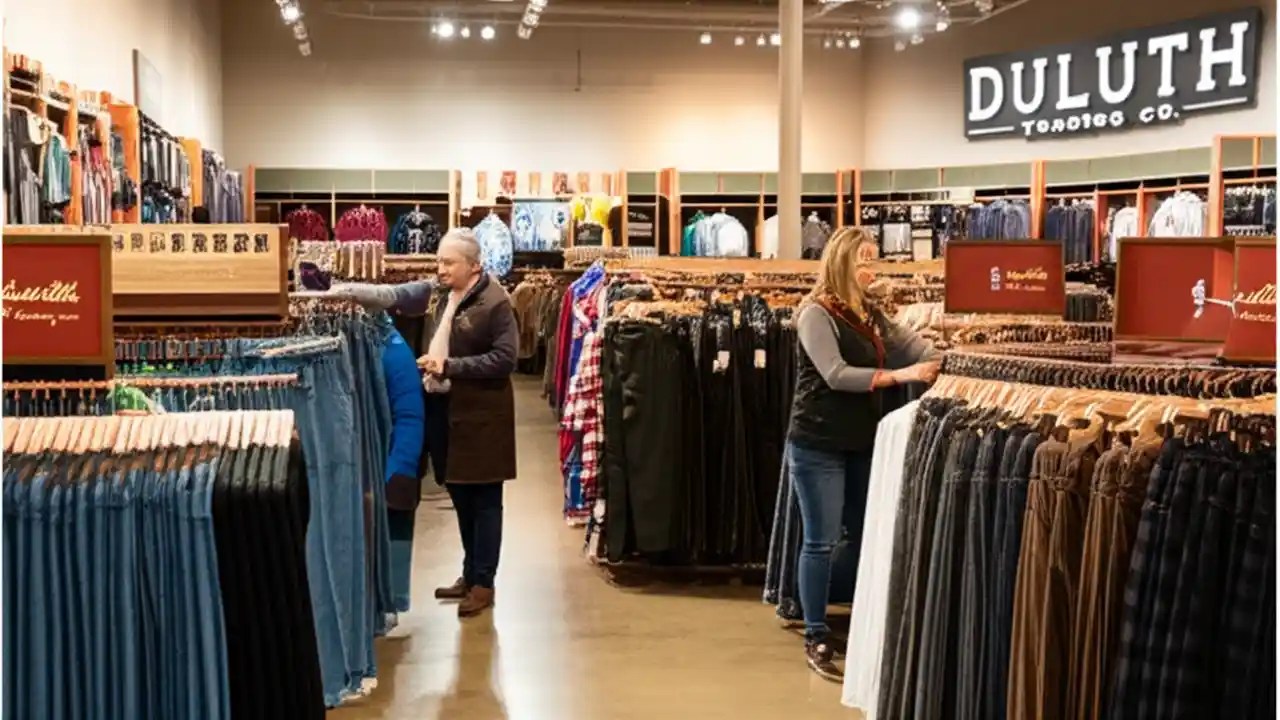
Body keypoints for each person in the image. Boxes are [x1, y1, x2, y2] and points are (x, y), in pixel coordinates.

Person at [333, 228, 518, 618]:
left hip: (482, 420)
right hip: (446, 415)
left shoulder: (495, 301)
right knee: (461, 497)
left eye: (448, 262)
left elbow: (505, 359)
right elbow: (392, 297)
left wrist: (448, 365)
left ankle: (484, 583)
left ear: (474, 265)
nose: (441, 269)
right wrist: (337, 290)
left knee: (485, 503)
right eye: (438, 261)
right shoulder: (437, 292)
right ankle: (470, 574)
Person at [786, 226, 940, 681]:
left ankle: (842, 611)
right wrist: (903, 375)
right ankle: (816, 632)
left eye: (875, 258)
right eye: (865, 259)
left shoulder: (870, 312)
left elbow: (908, 344)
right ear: (843, 263)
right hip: (817, 442)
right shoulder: (815, 313)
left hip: (859, 440)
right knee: (820, 539)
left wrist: (952, 360)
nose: (873, 268)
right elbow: (834, 374)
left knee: (861, 532)